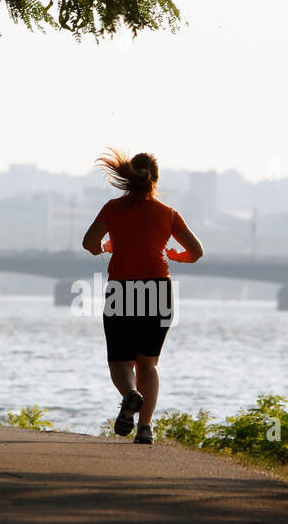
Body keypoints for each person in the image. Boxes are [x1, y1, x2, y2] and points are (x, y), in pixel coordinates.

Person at [81, 150, 203, 444]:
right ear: (155, 179)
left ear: (128, 178)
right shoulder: (168, 214)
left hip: (122, 288)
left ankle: (130, 395)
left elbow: (88, 243)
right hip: (158, 288)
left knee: (120, 363)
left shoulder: (112, 209)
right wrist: (177, 257)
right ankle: (145, 427)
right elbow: (197, 252)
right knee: (148, 364)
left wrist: (104, 248)